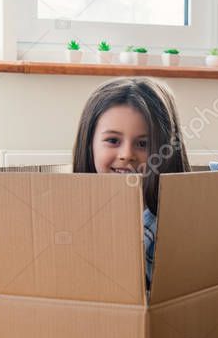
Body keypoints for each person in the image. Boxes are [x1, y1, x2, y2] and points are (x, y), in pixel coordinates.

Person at [72, 77, 190, 290]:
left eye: (143, 144)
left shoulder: (169, 225)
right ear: (89, 143)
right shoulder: (70, 217)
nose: (126, 155)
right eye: (113, 141)